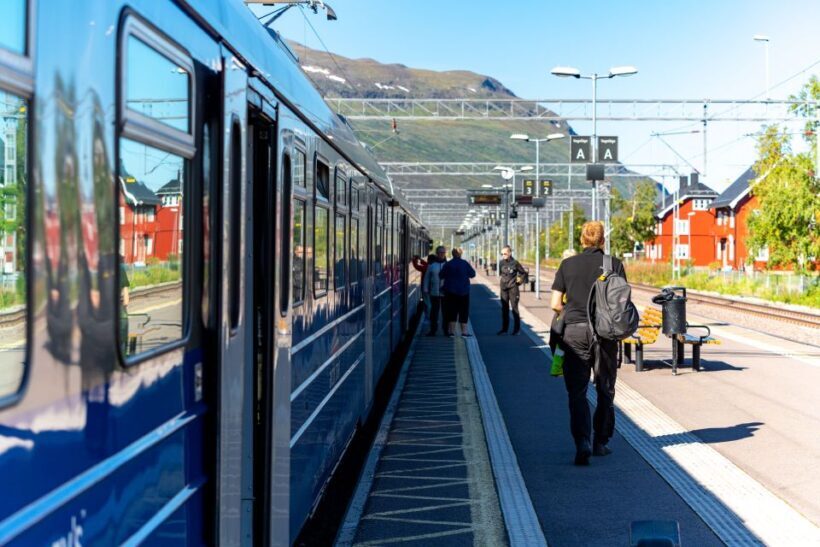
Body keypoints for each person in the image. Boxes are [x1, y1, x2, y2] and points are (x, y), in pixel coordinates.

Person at [550, 221, 625, 466]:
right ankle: (600, 442)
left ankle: (582, 442)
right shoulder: (613, 264)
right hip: (604, 335)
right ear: (603, 241)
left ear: (582, 240)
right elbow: (621, 303)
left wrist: (572, 310)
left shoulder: (567, 264)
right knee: (605, 389)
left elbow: (555, 304)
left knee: (577, 392)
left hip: (574, 332)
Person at [439, 247, 475, 337]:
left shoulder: (448, 264)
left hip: (450, 292)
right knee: (464, 311)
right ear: (461, 254)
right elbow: (472, 274)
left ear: (452, 254)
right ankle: (464, 332)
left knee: (452, 311)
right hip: (464, 292)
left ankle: (451, 332)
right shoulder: (465, 263)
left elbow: (441, 275)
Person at [497, 245, 528, 335]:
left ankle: (516, 329)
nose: (503, 255)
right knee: (504, 309)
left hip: (513, 288)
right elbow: (500, 273)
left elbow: (523, 273)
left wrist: (519, 281)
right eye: (502, 254)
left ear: (510, 253)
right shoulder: (501, 263)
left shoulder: (515, 263)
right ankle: (504, 329)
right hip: (503, 288)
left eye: (505, 254)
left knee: (514, 309)